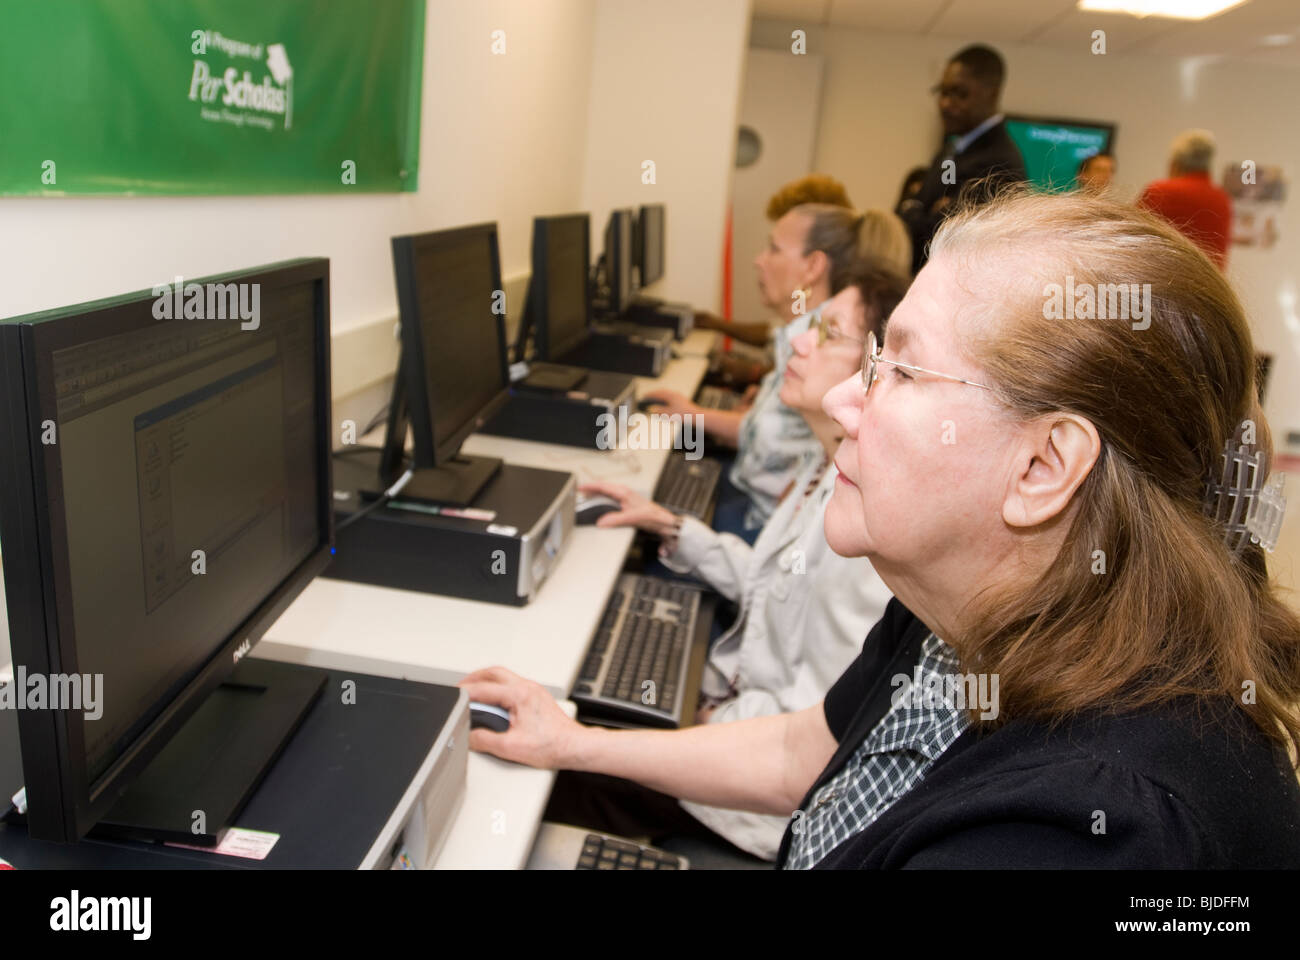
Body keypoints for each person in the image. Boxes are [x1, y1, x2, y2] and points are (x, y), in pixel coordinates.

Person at [461, 190, 1300, 868]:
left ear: (1043, 469)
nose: (840, 400)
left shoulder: (1091, 827)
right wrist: (575, 741)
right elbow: (800, 756)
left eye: (899, 367)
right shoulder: (964, 604)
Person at [567, 261, 907, 858]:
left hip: (754, 793)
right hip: (741, 722)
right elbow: (776, 581)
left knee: (562, 773)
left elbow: (804, 736)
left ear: (875, 370)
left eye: (827, 333)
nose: (798, 340)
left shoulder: (868, 535)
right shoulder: (828, 464)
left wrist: (691, 722)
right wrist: (671, 526)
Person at [645, 204, 910, 542]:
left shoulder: (820, 369)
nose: (759, 260)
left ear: (813, 266)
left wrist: (697, 416)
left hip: (757, 520)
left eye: (773, 248)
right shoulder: (811, 348)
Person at [897, 44, 1026, 274]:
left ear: (992, 93)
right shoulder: (950, 148)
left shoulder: (1000, 163)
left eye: (960, 93)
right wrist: (920, 212)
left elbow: (940, 239)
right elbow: (916, 221)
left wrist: (913, 209)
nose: (946, 103)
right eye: (943, 92)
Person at [695, 173, 854, 350]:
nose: (759, 261)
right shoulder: (806, 313)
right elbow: (777, 331)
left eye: (776, 248)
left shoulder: (833, 329)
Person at [1138, 129, 1232, 269]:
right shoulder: (1222, 198)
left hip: (1163, 280)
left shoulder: (1161, 190)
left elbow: (1133, 237)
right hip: (1208, 286)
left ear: (1175, 163)